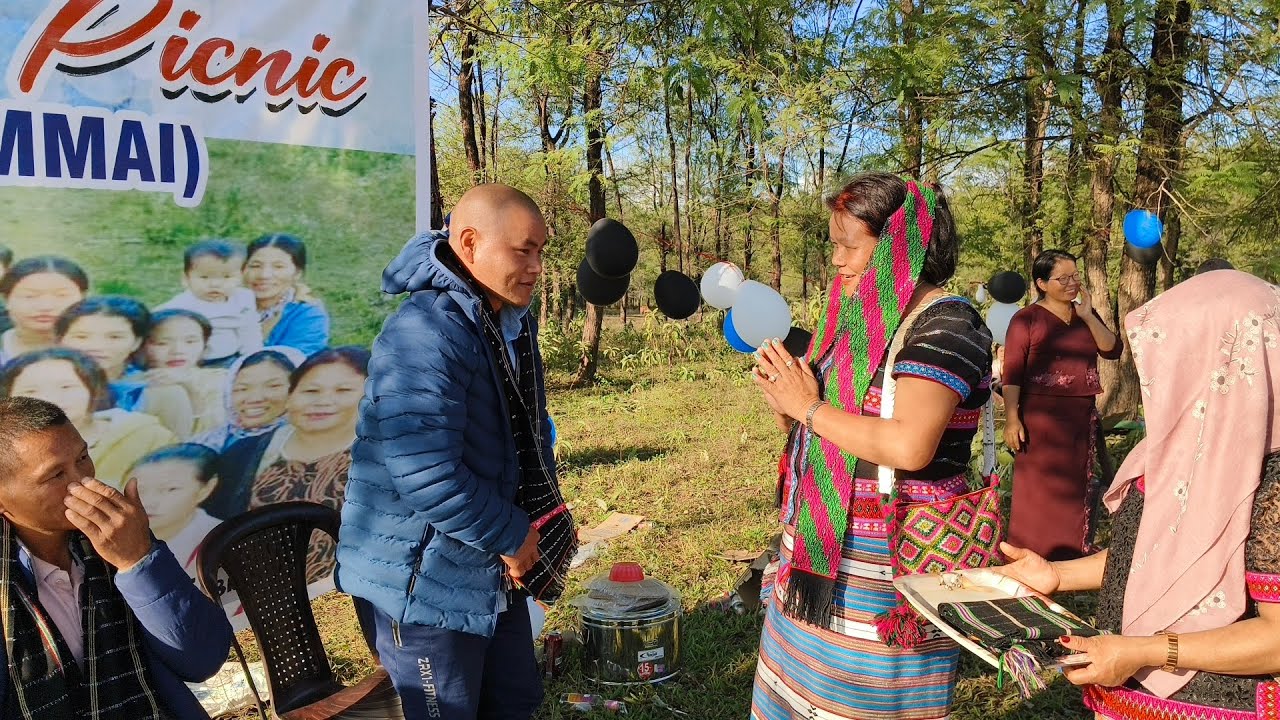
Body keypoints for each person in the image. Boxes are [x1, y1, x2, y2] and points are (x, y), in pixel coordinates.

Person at [747, 173, 993, 720]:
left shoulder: (947, 325)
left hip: (888, 564)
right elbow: (831, 430)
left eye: (849, 246)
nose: (836, 260)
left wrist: (808, 408)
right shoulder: (860, 323)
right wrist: (789, 404)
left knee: (867, 703)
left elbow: (909, 445)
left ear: (901, 248)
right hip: (820, 551)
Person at [336, 184, 575, 720]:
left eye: (541, 251)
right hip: (422, 583)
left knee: (515, 701)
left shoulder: (507, 322)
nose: (537, 266)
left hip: (487, 562)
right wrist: (512, 535)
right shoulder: (425, 332)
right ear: (469, 242)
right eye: (523, 250)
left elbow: (525, 438)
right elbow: (425, 474)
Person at [996, 270, 1280, 719]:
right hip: (1128, 697)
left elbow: (1276, 639)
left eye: (1177, 355)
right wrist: (1056, 574)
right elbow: (1152, 554)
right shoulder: (1182, 447)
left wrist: (1146, 651)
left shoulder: (1272, 481)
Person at [0, 396, 233, 718]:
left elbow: (202, 658)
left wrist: (138, 561)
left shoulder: (118, 538)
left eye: (83, 457)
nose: (83, 481)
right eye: (55, 475)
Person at [206, 347, 369, 581]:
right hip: (261, 597)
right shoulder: (245, 452)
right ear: (290, 396)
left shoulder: (387, 457)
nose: (323, 401)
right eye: (310, 390)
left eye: (343, 390)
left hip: (349, 601)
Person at [1002, 249, 1122, 561]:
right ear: (1042, 283)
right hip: (1039, 418)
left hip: (1079, 415)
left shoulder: (1084, 315)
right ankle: (1027, 556)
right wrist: (1013, 419)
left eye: (1075, 276)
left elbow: (1112, 349)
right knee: (1037, 490)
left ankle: (1068, 556)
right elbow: (1012, 374)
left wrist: (1087, 317)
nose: (1072, 283)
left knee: (1074, 487)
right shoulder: (1025, 320)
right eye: (1062, 278)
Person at [0, 348, 176, 488]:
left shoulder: (148, 436)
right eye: (31, 391)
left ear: (93, 390)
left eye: (66, 387)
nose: (50, 397)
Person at [159, 239, 263, 367]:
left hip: (232, 358)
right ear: (186, 278)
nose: (215, 284)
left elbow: (250, 331)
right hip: (191, 362)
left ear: (241, 277)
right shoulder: (181, 306)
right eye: (204, 277)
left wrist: (253, 359)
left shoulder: (243, 298)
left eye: (227, 277)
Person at [125, 444, 223, 578]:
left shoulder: (222, 541)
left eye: (170, 489)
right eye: (140, 490)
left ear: (205, 489)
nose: (149, 502)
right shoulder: (122, 537)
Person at [191, 347, 303, 452]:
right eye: (242, 389)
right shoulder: (213, 442)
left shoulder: (302, 444)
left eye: (273, 386)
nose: (254, 398)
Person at [140, 309, 228, 438]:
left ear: (205, 345)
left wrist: (190, 389)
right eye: (162, 343)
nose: (177, 351)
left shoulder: (223, 380)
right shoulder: (134, 383)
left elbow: (214, 432)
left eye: (190, 342)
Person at [56, 296, 151, 412]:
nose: (96, 346)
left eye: (114, 337)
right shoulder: (37, 385)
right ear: (61, 340)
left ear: (136, 342)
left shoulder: (156, 389)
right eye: (81, 337)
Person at [244, 234, 329, 356]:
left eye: (278, 267)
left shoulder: (308, 314)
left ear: (297, 273)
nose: (264, 275)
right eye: (256, 266)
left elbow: (294, 362)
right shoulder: (228, 301)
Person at [0, 256, 88, 364]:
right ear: (6, 299)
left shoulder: (100, 350)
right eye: (30, 296)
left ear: (83, 297)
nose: (46, 306)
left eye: (61, 295)